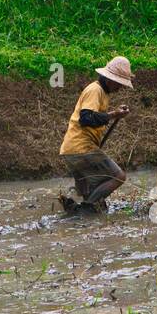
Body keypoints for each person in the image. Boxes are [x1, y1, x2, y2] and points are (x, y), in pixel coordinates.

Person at [58, 56, 135, 214]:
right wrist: (113, 115)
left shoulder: (101, 92)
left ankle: (79, 213)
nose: (120, 88)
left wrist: (113, 114)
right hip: (82, 148)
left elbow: (94, 115)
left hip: (71, 150)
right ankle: (85, 208)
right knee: (118, 176)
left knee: (91, 196)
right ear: (110, 80)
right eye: (119, 83)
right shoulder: (95, 90)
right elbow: (86, 118)